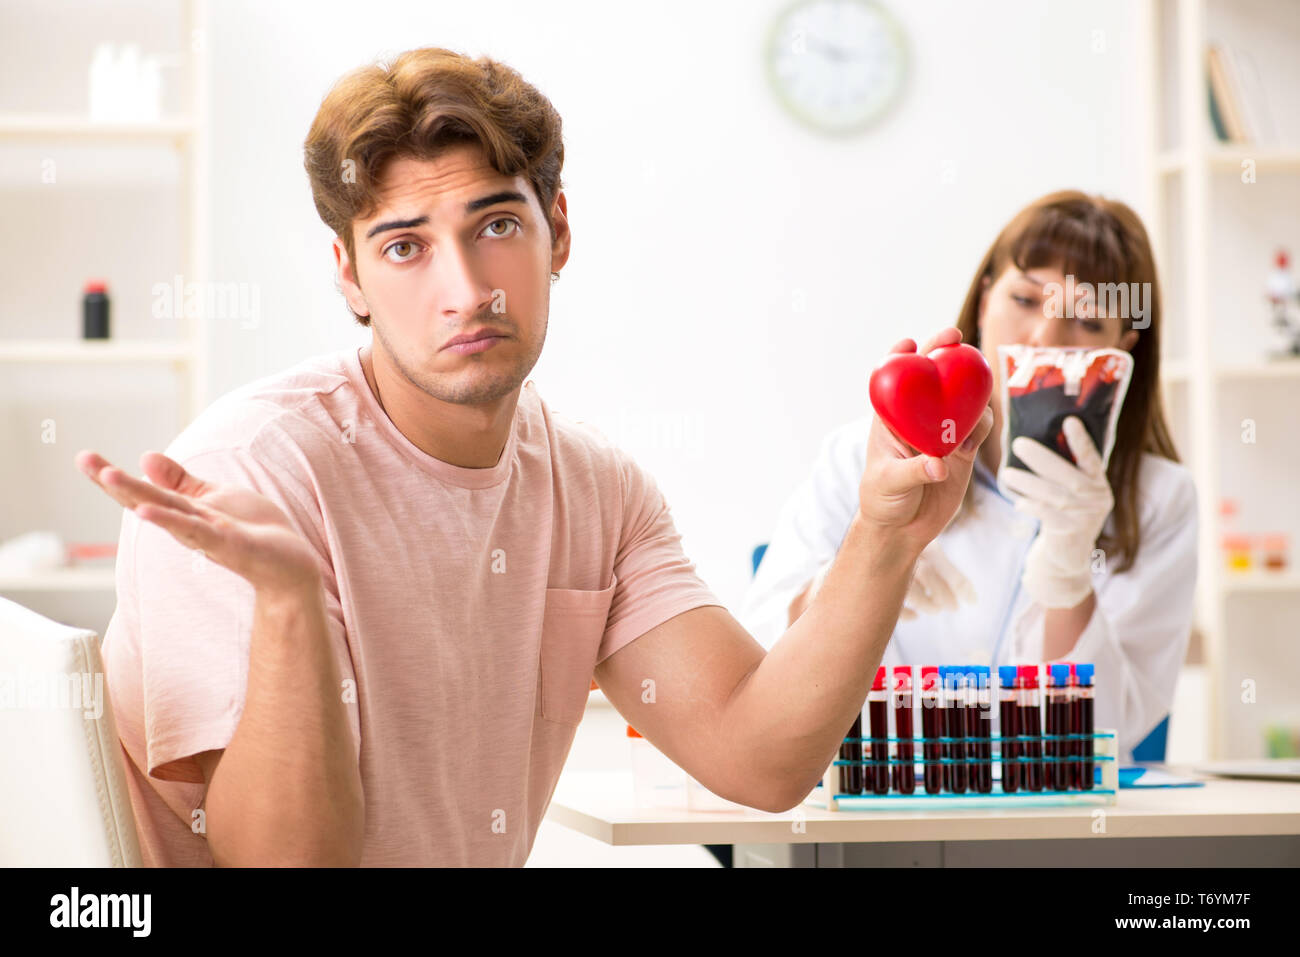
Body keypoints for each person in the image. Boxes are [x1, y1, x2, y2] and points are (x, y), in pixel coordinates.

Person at [75, 47, 992, 866]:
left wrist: (884, 536)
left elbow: (760, 757)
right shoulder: (249, 478)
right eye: (405, 247)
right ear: (349, 276)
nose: (466, 290)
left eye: (498, 227)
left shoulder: (599, 491)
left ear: (558, 228)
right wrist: (287, 606)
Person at [741, 191, 1197, 766]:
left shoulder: (1160, 500)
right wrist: (859, 573)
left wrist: (1067, 576)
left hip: (1062, 830)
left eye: (1086, 319)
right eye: (1025, 299)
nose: (1045, 339)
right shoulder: (861, 455)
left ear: (1122, 349)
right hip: (881, 805)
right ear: (983, 301)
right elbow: (759, 669)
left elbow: (1109, 734)